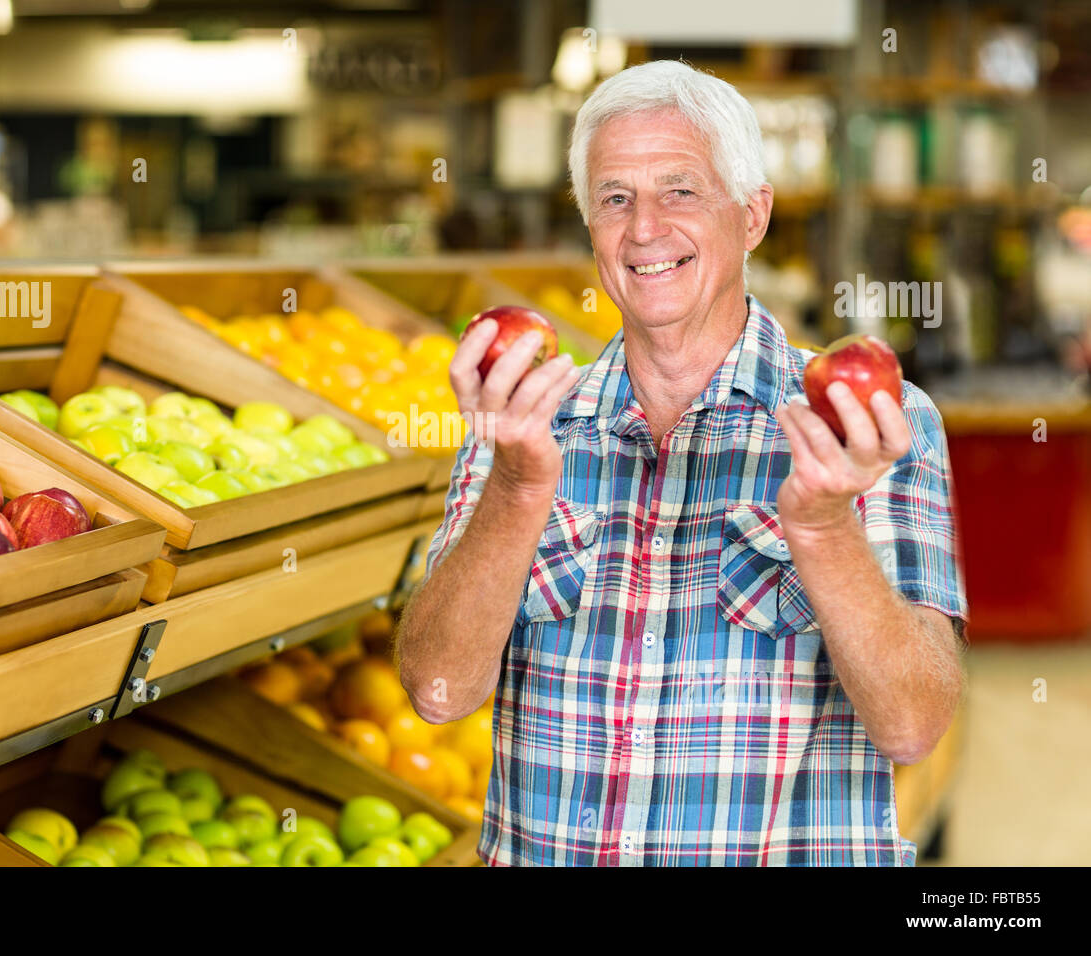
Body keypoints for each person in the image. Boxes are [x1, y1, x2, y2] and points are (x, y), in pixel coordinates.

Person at [395, 60, 967, 867]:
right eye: (615, 198)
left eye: (681, 191)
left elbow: (912, 725)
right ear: (589, 225)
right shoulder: (524, 415)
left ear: (753, 214)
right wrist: (519, 485)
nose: (644, 230)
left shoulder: (874, 423)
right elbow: (437, 692)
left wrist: (823, 525)